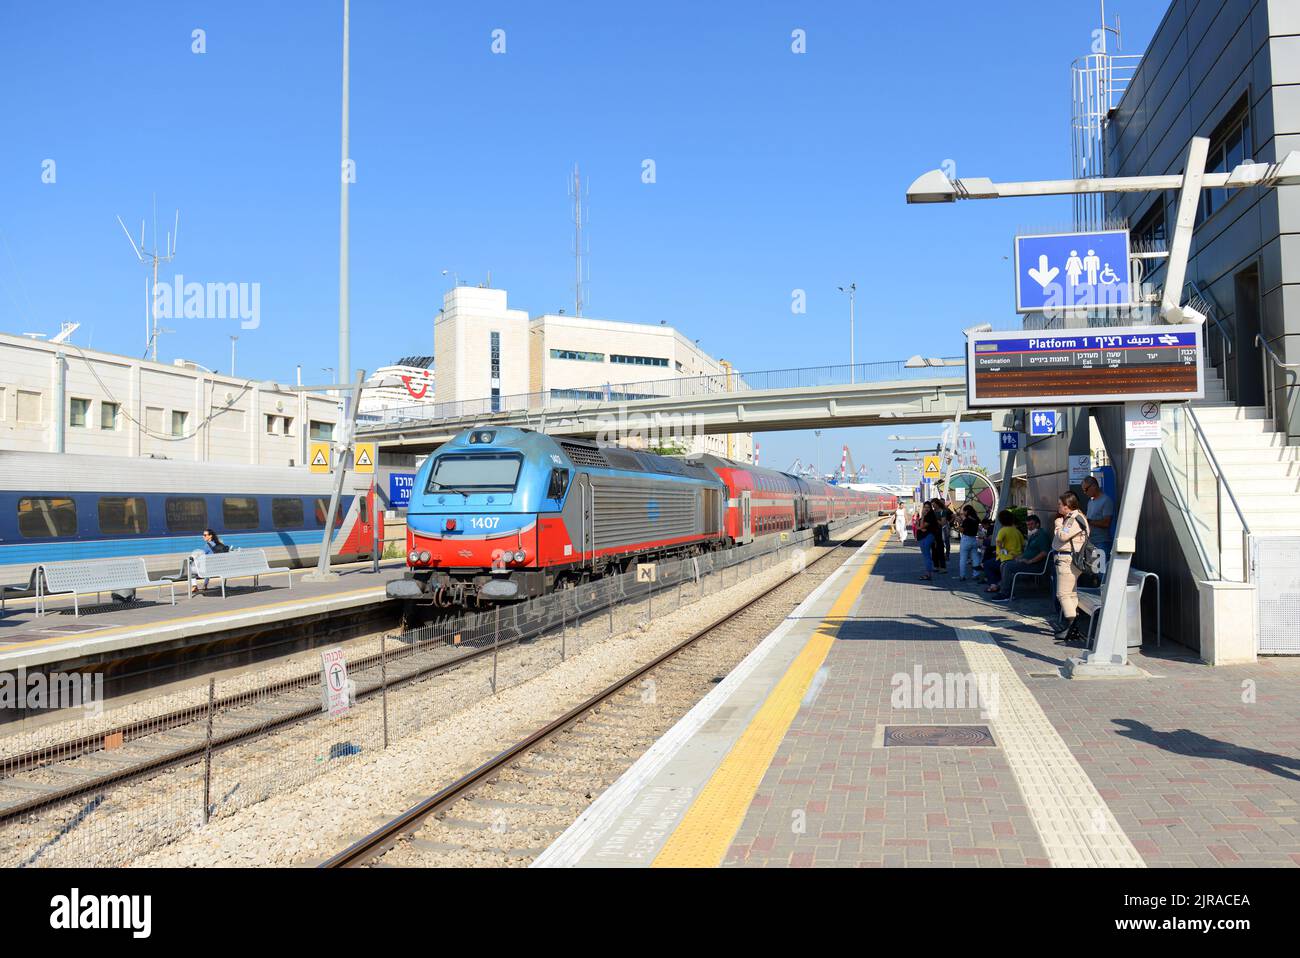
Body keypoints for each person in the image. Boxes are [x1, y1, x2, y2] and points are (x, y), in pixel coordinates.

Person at [1051, 493, 1091, 642]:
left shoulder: (1072, 520)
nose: (1058, 506)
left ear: (1067, 507)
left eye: (1059, 504)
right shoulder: (1076, 517)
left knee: (1063, 594)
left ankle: (1071, 626)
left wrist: (1057, 524)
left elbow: (1062, 536)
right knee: (1071, 594)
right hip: (1070, 560)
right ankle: (1072, 627)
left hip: (1067, 560)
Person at [990, 514, 1051, 602]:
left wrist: (1030, 561)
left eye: (1031, 524)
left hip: (1036, 565)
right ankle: (1005, 590)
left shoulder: (1042, 535)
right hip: (1026, 561)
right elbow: (1027, 551)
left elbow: (1044, 552)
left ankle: (1005, 593)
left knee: (1007, 566)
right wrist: (1019, 557)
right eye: (1028, 525)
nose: (1029, 527)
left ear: (1037, 524)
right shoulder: (1034, 535)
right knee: (1005, 564)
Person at [982, 510, 1024, 593]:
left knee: (987, 564)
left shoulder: (1003, 530)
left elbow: (998, 542)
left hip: (1005, 558)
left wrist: (1002, 550)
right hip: (1017, 557)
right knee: (992, 563)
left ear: (1000, 520)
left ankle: (994, 585)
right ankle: (998, 583)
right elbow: (1022, 544)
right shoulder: (1017, 531)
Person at [1080, 476, 1115, 563]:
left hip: (1101, 542)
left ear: (1094, 486)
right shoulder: (1090, 502)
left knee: (1101, 570)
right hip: (1091, 542)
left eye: (1086, 489)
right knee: (1094, 571)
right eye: (1083, 490)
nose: (1085, 492)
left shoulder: (1106, 501)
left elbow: (1106, 523)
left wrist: (1089, 521)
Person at [193, 528, 230, 594]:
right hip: (219, 568)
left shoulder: (207, 545)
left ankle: (194, 586)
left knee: (191, 570)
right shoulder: (218, 543)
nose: (203, 536)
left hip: (210, 569)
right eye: (203, 535)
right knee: (208, 566)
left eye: (205, 535)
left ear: (210, 536)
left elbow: (201, 556)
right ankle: (205, 585)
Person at [917, 502, 939, 580]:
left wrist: (922, 517)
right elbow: (918, 526)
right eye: (925, 507)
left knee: (926, 555)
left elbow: (922, 526)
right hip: (921, 537)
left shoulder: (930, 516)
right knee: (926, 555)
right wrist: (920, 527)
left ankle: (928, 574)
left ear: (931, 508)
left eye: (928, 507)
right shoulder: (925, 516)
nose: (926, 509)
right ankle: (928, 573)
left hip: (928, 536)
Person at [957, 505, 980, 581]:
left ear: (967, 511)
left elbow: (962, 530)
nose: (963, 512)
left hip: (966, 539)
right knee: (975, 557)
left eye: (964, 511)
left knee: (963, 558)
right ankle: (976, 574)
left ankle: (962, 575)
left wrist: (958, 525)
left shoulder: (967, 520)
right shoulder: (976, 519)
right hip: (974, 539)